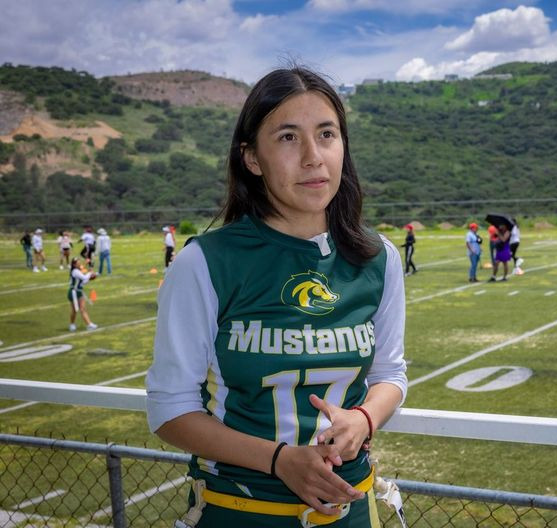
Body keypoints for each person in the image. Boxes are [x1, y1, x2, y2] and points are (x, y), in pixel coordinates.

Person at [145, 65, 407, 528]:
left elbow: (390, 374)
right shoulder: (204, 262)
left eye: (326, 134)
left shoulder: (377, 257)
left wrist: (364, 419)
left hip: (353, 510)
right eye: (288, 137)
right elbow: (170, 411)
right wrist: (279, 460)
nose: (313, 156)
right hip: (240, 511)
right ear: (251, 157)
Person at [67, 257, 98, 331]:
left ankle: (89, 324)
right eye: (78, 262)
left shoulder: (78, 271)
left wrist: (91, 278)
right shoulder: (75, 271)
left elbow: (83, 282)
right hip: (73, 292)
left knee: (83, 309)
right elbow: (84, 277)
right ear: (74, 264)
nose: (79, 262)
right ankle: (72, 324)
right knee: (74, 310)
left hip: (79, 291)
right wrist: (90, 273)